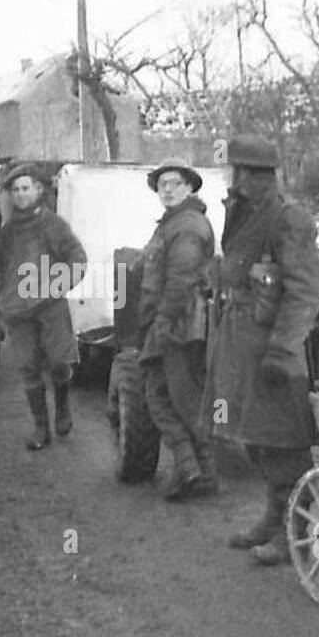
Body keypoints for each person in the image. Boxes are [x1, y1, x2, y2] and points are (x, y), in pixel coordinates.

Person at [201, 134, 319, 564]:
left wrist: (283, 350)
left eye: (238, 172)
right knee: (253, 438)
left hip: (270, 348)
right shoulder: (242, 212)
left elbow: (305, 291)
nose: (232, 181)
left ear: (256, 175)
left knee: (283, 443)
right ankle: (274, 519)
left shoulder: (289, 219)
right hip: (238, 341)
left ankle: (297, 532)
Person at [136, 157, 217, 502]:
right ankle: (192, 469)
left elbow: (182, 276)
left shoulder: (186, 225)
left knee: (176, 398)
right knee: (166, 395)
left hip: (180, 324)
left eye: (174, 183)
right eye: (162, 184)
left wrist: (165, 322)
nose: (167, 189)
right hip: (172, 321)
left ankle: (200, 471)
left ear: (189, 188)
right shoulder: (172, 223)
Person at [0, 163, 87, 450]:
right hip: (17, 311)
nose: (20, 195)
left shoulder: (53, 225)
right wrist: (0, 294)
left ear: (38, 190)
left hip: (49, 307)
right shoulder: (7, 231)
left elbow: (77, 258)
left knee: (60, 362)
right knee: (28, 367)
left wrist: (56, 286)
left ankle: (62, 408)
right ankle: (40, 428)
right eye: (15, 190)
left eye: (26, 188)